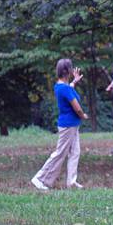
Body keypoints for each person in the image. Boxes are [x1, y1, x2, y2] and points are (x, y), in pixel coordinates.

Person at [32, 59, 89, 190]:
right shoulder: (65, 88)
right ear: (68, 71)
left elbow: (68, 90)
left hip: (72, 124)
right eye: (71, 68)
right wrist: (83, 115)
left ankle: (71, 182)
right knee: (60, 153)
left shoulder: (60, 86)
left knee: (75, 152)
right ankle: (40, 179)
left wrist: (74, 82)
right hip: (68, 125)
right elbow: (77, 108)